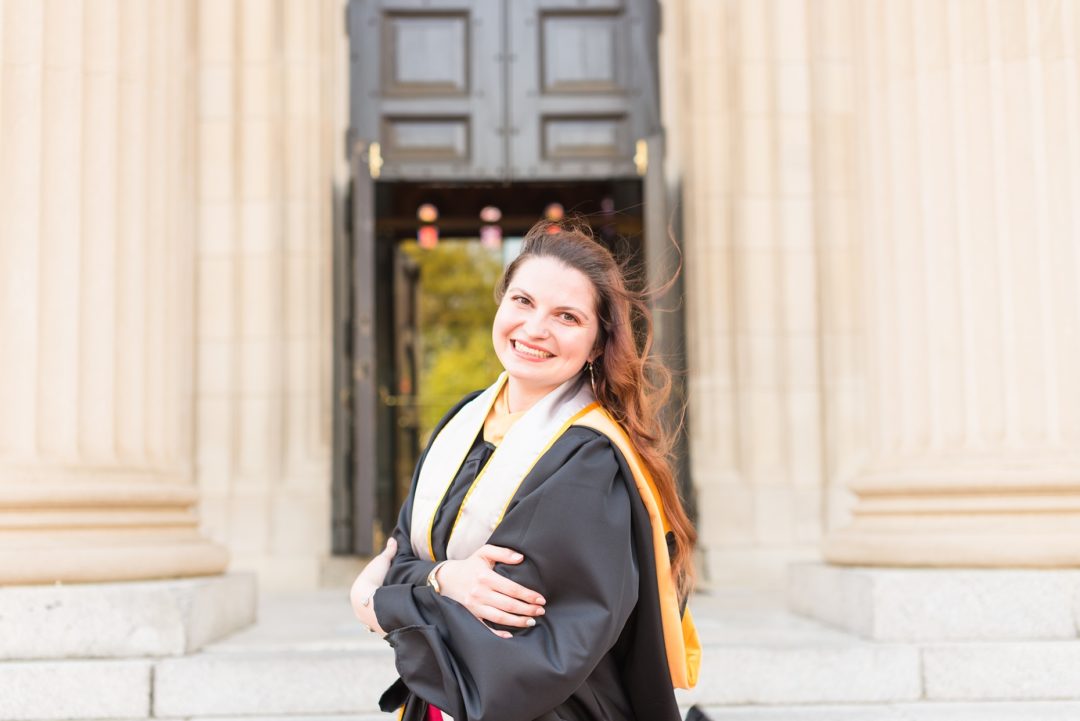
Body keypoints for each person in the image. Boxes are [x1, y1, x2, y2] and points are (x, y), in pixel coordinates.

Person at [350, 220, 701, 721]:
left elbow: (520, 640)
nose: (535, 329)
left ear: (598, 344)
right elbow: (403, 556)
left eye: (567, 316)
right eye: (522, 301)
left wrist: (378, 607)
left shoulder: (588, 460)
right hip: (443, 701)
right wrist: (445, 580)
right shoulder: (463, 423)